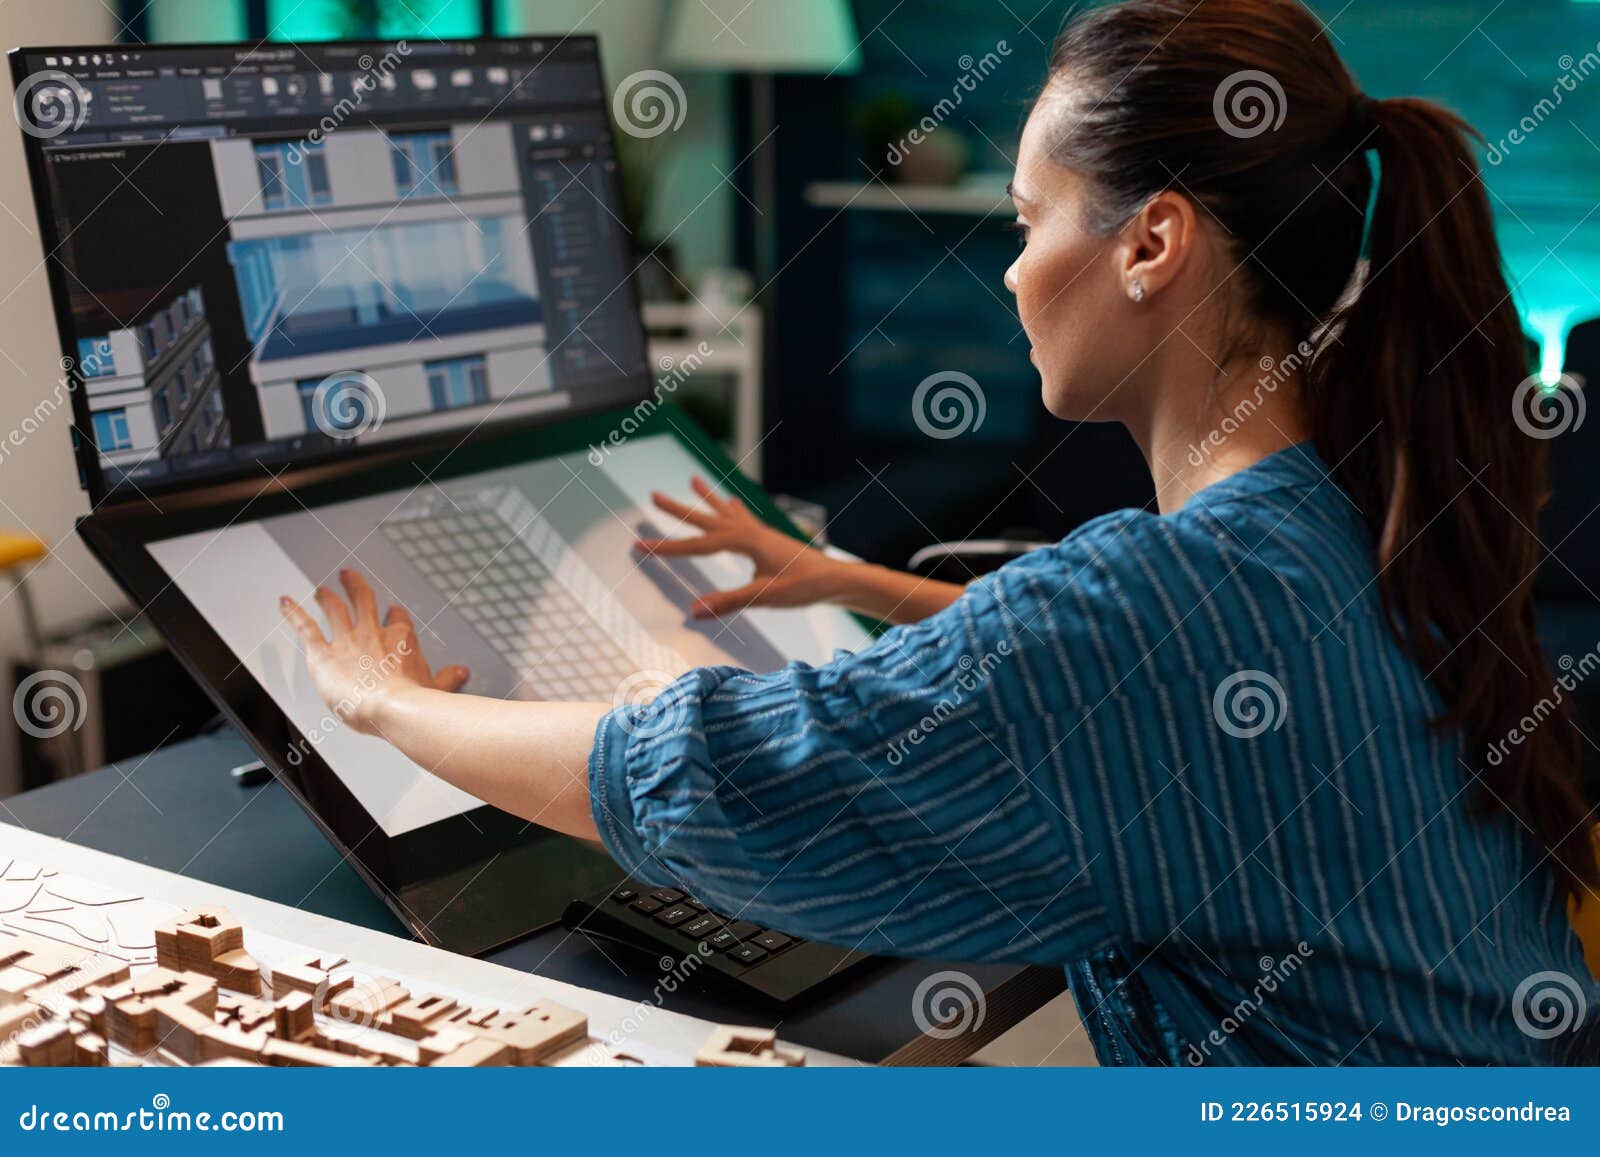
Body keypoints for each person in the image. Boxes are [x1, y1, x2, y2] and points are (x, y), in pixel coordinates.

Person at [280, 0, 1598, 1065]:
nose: (1013, 269)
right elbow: (1123, 676)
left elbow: (702, 774)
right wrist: (845, 577)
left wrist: (383, 703)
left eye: (1030, 220)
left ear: (1153, 243)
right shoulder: (1345, 506)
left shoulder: (1160, 603)